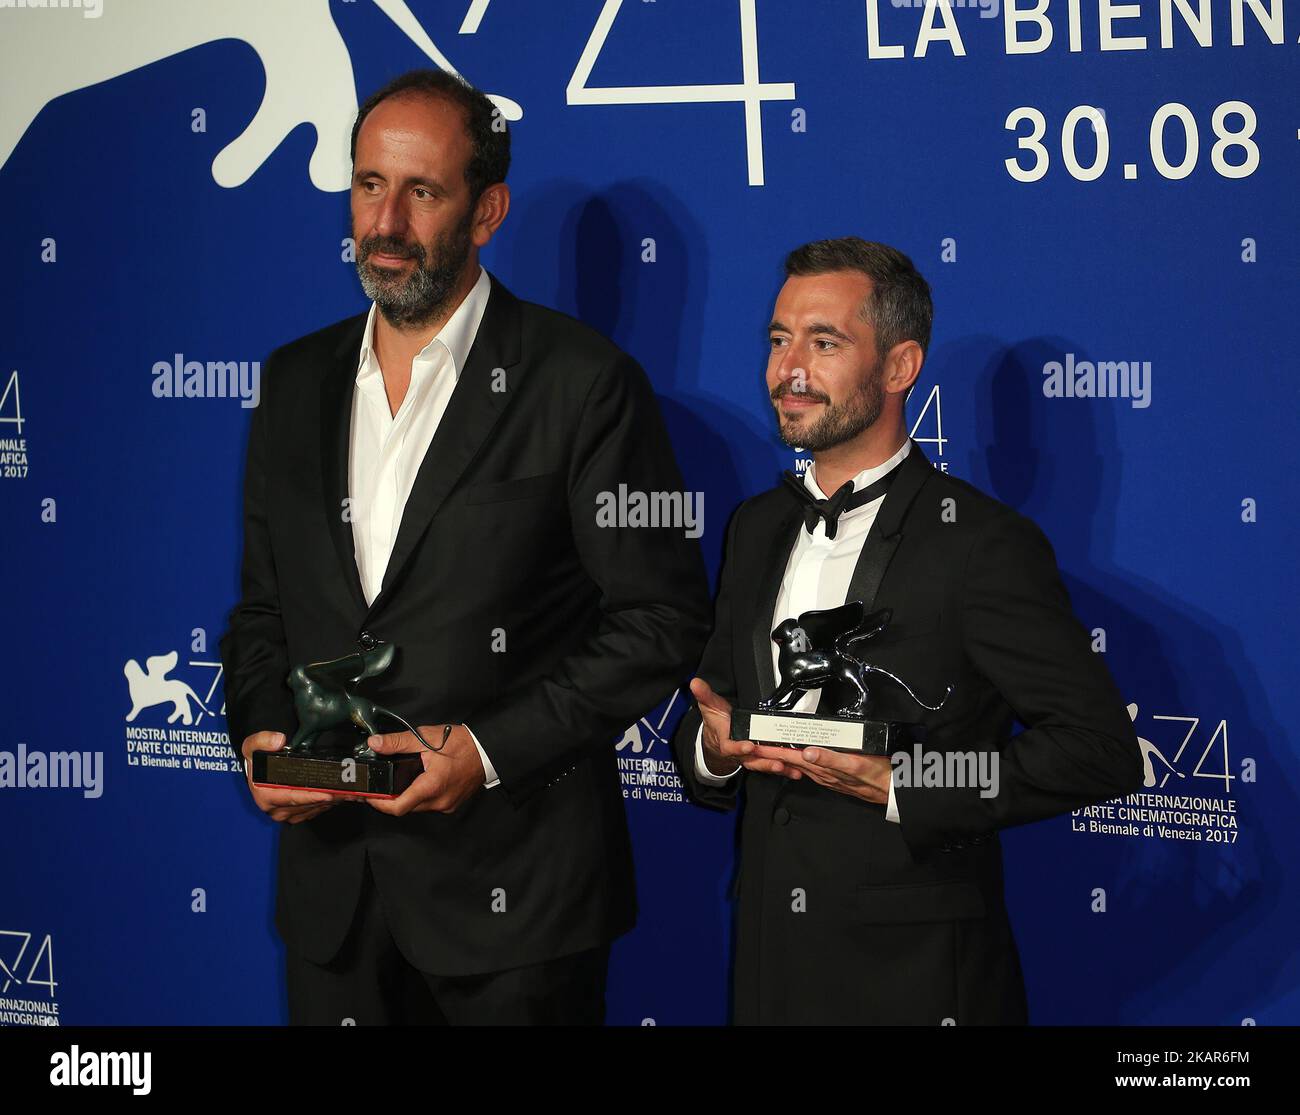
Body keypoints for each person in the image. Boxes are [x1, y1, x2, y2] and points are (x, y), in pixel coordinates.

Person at [219, 69, 709, 1025]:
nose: (387, 221)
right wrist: (261, 731)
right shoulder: (292, 381)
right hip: (334, 902)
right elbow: (263, 609)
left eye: (423, 192)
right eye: (368, 185)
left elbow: (662, 618)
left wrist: (483, 750)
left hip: (516, 906)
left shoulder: (583, 382)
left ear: (487, 212)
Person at [671, 237, 1144, 1025]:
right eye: (779, 339)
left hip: (918, 980)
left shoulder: (981, 543)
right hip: (768, 967)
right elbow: (713, 708)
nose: (788, 369)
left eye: (824, 343)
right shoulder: (755, 528)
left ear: (899, 367)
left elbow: (1098, 749)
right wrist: (713, 751)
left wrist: (905, 785)